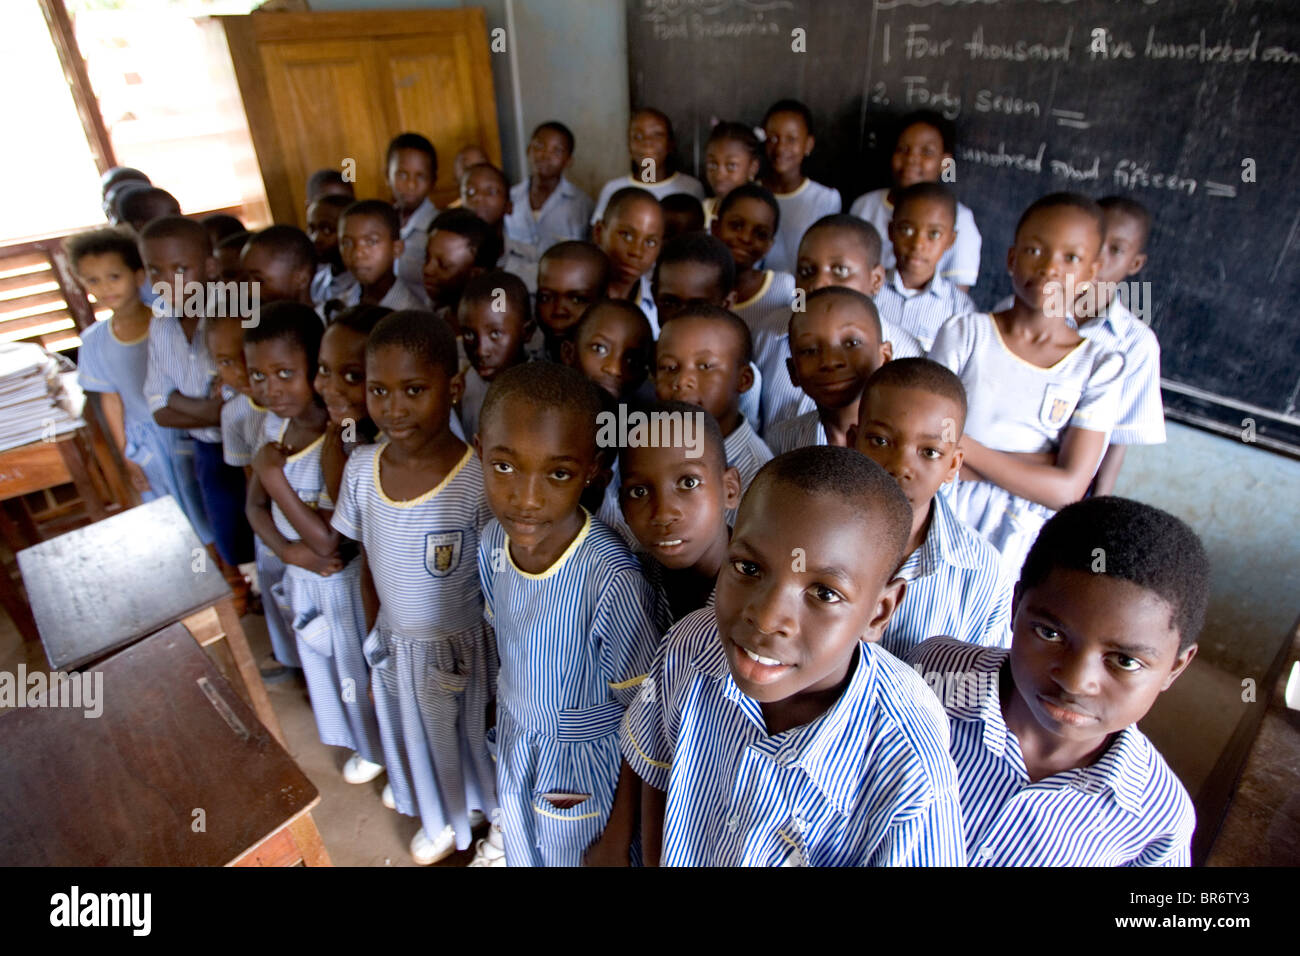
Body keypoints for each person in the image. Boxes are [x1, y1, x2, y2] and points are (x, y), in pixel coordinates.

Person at [617, 446, 966, 866]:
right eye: (748, 568)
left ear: (879, 612)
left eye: (823, 593)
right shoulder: (691, 648)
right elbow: (656, 767)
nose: (766, 620)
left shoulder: (910, 765)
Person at [907, 496, 1205, 865]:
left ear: (1175, 667)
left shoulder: (1157, 820)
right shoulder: (937, 676)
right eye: (1050, 634)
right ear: (1015, 609)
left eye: (1125, 661)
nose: (1076, 682)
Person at [474, 362, 662, 866]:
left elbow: (642, 720)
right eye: (505, 467)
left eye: (558, 473)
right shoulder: (493, 542)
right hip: (518, 743)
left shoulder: (608, 579)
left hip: (583, 770)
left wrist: (619, 836)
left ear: (593, 469)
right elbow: (504, 636)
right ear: (479, 451)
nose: (526, 499)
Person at [332, 309, 497, 865]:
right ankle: (441, 815)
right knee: (417, 737)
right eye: (378, 390)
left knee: (469, 741)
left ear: (453, 388)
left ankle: (479, 817)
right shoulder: (360, 469)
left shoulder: (477, 479)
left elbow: (495, 587)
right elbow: (365, 562)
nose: (393, 408)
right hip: (397, 644)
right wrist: (374, 637)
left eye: (414, 390)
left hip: (464, 648)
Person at [927, 192, 1125, 577]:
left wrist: (964, 449)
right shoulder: (966, 333)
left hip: (1022, 543)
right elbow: (928, 448)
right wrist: (1047, 466)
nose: (1051, 267)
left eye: (1071, 258)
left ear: (1092, 272)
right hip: (940, 515)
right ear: (1012, 258)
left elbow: (1067, 490)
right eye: (1035, 250)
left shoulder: (1099, 365)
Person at [244, 304, 384, 774]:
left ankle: (378, 751)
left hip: (341, 587)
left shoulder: (341, 440)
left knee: (355, 670)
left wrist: (273, 476)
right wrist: (288, 552)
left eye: (286, 372)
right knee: (329, 671)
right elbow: (252, 507)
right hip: (307, 577)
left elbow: (328, 543)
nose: (271, 388)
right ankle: (364, 747)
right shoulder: (275, 428)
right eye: (258, 375)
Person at [850, 358, 1011, 656]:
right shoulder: (807, 535)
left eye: (929, 452)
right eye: (880, 441)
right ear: (852, 442)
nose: (900, 467)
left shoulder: (982, 574)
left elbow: (974, 692)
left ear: (953, 466)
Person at [140, 215, 253, 609]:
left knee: (267, 532)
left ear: (209, 267)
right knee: (231, 535)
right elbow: (157, 407)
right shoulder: (160, 324)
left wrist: (184, 405)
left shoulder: (236, 313)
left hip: (254, 450)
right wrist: (213, 409)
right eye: (156, 270)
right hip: (208, 451)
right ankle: (254, 600)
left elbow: (248, 401)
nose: (167, 281)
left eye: (180, 269)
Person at [68, 227, 209, 537]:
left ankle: (232, 575)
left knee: (203, 504)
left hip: (184, 427)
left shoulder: (170, 322)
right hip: (144, 442)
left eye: (113, 276)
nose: (105, 288)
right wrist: (126, 455)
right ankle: (198, 577)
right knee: (169, 517)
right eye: (93, 280)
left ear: (139, 275)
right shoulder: (93, 342)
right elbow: (111, 400)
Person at [207, 311, 298, 676]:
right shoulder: (235, 414)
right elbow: (250, 478)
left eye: (248, 360)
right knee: (278, 590)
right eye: (227, 362)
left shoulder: (296, 402)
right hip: (271, 518)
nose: (242, 372)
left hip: (307, 515)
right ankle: (291, 660)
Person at [617, 398, 740, 622]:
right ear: (622, 507)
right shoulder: (629, 583)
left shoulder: (762, 598)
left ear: (729, 490)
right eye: (639, 492)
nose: (663, 514)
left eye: (688, 483)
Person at [1076, 197, 1165, 495]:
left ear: (1135, 263)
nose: (1100, 257)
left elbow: (1117, 439)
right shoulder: (1025, 310)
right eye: (1096, 241)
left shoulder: (1136, 344)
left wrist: (1096, 509)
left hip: (1069, 490)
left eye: (1116, 249)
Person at [654, 304, 769, 526]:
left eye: (705, 366)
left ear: (743, 380)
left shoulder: (758, 481)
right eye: (669, 367)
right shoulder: (649, 445)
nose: (682, 381)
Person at [849, 110, 982, 291]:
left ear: (945, 164)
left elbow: (956, 295)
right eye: (903, 149)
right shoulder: (865, 205)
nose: (911, 159)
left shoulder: (960, 219)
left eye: (926, 152)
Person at [766, 287, 892, 455]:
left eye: (852, 343)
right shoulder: (780, 441)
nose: (830, 361)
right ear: (793, 370)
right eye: (810, 350)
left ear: (884, 357)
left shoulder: (909, 443)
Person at [875, 182, 976, 352]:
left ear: (951, 240)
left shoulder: (960, 309)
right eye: (906, 230)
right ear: (891, 231)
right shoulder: (868, 289)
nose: (917, 245)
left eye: (934, 234)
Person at [502, 122, 593, 293]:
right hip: (514, 289)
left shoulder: (581, 204)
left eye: (557, 151)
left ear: (568, 161)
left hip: (559, 290)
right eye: (539, 146)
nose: (545, 155)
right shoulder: (510, 198)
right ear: (528, 150)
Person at [759, 100, 841, 274]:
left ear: (808, 145)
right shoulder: (749, 195)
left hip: (800, 296)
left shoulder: (825, 199)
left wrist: (801, 300)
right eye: (773, 138)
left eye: (791, 139)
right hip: (753, 295)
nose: (780, 147)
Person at [591, 108, 705, 224]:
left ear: (670, 144)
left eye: (657, 135)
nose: (647, 143)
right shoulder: (613, 189)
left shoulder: (691, 188)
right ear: (629, 146)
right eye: (638, 137)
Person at [457, 269, 533, 440]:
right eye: (469, 335)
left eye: (496, 334)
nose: (481, 350)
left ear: (527, 332)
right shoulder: (462, 383)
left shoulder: (542, 392)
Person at [593, 187, 664, 334]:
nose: (636, 252)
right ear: (599, 232)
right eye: (626, 235)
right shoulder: (576, 296)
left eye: (650, 242)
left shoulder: (660, 306)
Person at [338, 200, 429, 310]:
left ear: (397, 249)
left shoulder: (413, 314)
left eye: (371, 242)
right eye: (347, 243)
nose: (357, 253)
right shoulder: (337, 307)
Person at [422, 208, 503, 325]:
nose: (427, 269)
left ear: (476, 274)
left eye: (443, 265)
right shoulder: (436, 316)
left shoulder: (494, 324)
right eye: (427, 258)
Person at [534, 241, 610, 362]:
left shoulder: (616, 375)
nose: (558, 311)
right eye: (546, 297)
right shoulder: (517, 371)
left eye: (577, 299)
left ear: (603, 302)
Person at [386, 132, 440, 288]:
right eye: (402, 175)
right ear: (387, 175)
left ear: (433, 181)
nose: (411, 185)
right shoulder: (380, 222)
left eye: (421, 176)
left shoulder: (439, 228)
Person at [307, 194, 358, 317]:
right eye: (312, 229)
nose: (315, 238)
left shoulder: (361, 285)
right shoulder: (316, 282)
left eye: (327, 230)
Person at [702, 121, 762, 226]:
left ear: (753, 168)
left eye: (731, 166)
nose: (720, 176)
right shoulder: (703, 210)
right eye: (712, 165)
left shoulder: (762, 214)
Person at [241, 225, 316, 305]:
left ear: (302, 279)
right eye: (245, 279)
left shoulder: (327, 315)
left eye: (260, 280)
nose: (248, 291)